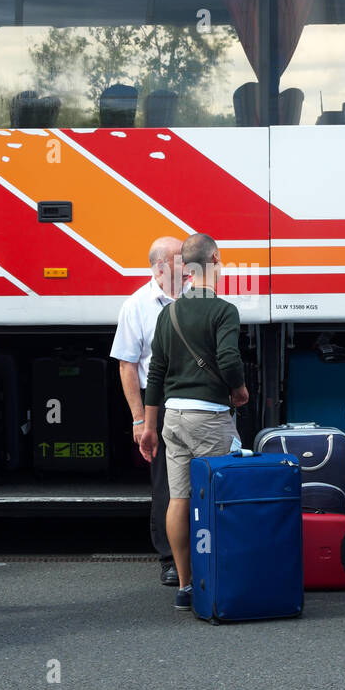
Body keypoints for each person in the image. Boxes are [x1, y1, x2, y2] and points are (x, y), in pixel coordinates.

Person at [139, 233, 248, 612]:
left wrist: (148, 426)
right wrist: (239, 390)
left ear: (185, 267)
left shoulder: (168, 313)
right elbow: (230, 359)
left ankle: (185, 585)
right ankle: (219, 578)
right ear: (215, 259)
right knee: (220, 498)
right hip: (209, 418)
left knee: (179, 498)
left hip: (173, 417)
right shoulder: (223, 311)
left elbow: (155, 373)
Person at [111, 236, 185, 587]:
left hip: (197, 398)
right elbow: (127, 366)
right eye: (181, 259)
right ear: (160, 267)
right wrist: (140, 419)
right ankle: (169, 558)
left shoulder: (198, 298)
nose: (188, 265)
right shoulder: (136, 305)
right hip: (158, 400)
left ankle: (202, 551)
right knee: (165, 483)